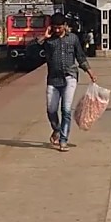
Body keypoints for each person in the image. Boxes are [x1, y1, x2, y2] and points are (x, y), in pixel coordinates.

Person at [42, 13, 97, 152]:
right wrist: (44, 37)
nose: (57, 30)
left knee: (66, 109)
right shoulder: (48, 41)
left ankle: (63, 140)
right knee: (51, 109)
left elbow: (80, 56)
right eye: (54, 28)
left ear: (65, 26)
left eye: (59, 27)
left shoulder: (73, 39)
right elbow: (32, 50)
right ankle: (57, 129)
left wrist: (89, 72)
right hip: (53, 79)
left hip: (70, 77)